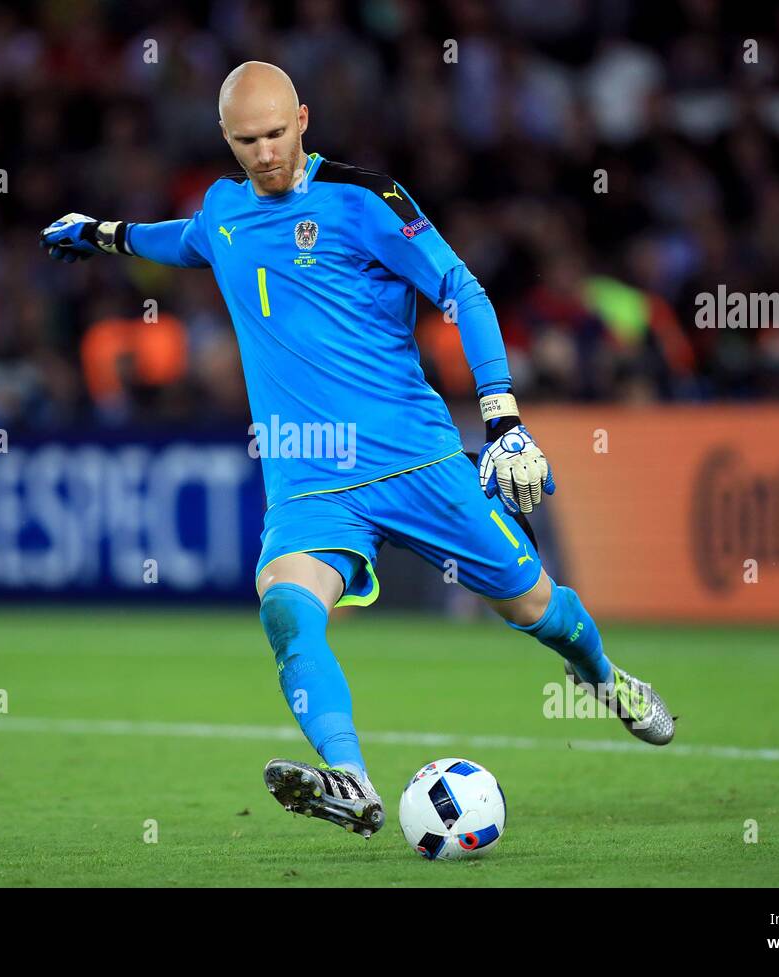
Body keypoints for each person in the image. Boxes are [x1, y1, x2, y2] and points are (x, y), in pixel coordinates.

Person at [41, 62, 673, 839]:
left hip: (416, 461)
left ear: (303, 119)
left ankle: (606, 681)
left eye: (277, 133)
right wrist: (103, 234)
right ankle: (352, 779)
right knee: (285, 607)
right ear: (226, 141)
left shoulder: (366, 200)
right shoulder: (225, 210)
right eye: (247, 140)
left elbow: (461, 289)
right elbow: (186, 241)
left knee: (536, 607)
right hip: (309, 480)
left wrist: (504, 419)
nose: (265, 152)